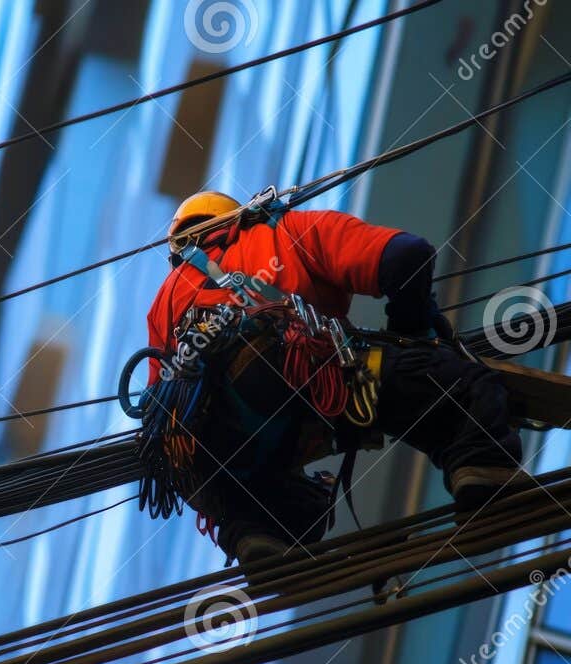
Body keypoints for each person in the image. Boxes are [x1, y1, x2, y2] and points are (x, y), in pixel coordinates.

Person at [144, 190, 524, 565]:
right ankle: (482, 467)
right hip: (302, 372)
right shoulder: (285, 230)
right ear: (240, 217)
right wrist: (412, 336)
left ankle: (257, 531)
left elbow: (159, 419)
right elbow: (406, 256)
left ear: (178, 246)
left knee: (251, 481)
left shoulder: (164, 301)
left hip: (220, 432)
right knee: (459, 384)